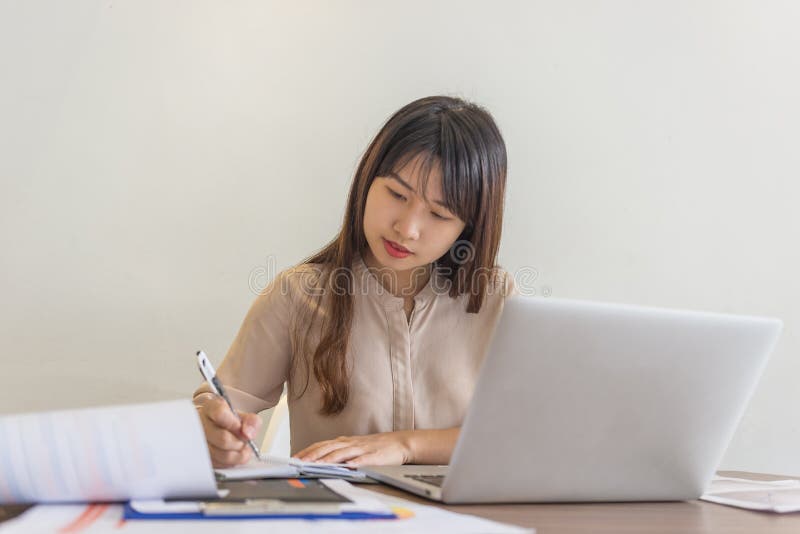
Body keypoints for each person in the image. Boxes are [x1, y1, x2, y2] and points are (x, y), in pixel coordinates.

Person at [193, 95, 514, 468]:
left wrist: (406, 445)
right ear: (367, 180)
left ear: (468, 226)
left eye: (439, 214)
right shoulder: (297, 296)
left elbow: (527, 433)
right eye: (396, 194)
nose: (406, 229)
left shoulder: (498, 300)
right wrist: (211, 429)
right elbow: (217, 407)